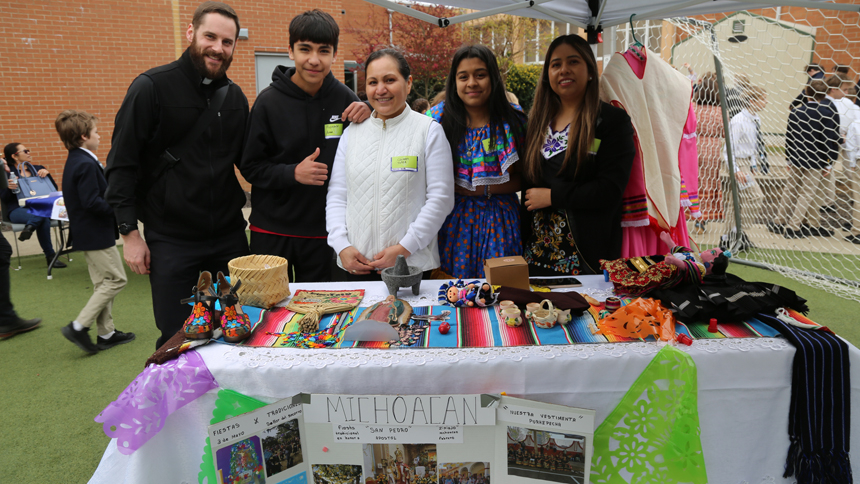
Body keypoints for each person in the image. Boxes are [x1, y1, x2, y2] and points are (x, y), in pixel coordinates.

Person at [105, 1, 251, 348]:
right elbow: (120, 164)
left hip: (228, 239)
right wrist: (129, 233)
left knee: (238, 331)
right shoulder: (150, 87)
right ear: (191, 33)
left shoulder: (235, 98)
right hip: (172, 242)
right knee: (177, 337)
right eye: (210, 37)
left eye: (227, 42)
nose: (218, 48)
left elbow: (252, 162)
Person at [240, 9, 370, 283]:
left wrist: (371, 109)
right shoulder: (268, 102)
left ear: (334, 54)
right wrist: (292, 173)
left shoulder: (346, 100)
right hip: (273, 232)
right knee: (271, 315)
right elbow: (250, 167)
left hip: (326, 234)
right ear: (290, 51)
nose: (314, 60)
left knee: (323, 313)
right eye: (304, 49)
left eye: (323, 51)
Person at [326, 49, 455, 279]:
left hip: (410, 268)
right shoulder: (352, 133)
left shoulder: (428, 131)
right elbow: (337, 195)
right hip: (355, 266)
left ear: (408, 82)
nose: (380, 89)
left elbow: (441, 198)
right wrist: (341, 246)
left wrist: (405, 247)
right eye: (373, 82)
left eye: (389, 80)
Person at [520, 34, 635, 275]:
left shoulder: (611, 122)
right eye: (555, 64)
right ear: (547, 75)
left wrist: (554, 196)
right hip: (536, 255)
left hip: (586, 258)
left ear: (590, 71)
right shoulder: (537, 123)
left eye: (573, 62)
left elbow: (610, 190)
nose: (563, 70)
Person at [428, 44, 526, 279]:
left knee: (501, 291)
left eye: (480, 75)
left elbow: (527, 177)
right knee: (454, 293)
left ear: (493, 78)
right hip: (452, 223)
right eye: (464, 76)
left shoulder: (513, 121)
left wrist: (482, 190)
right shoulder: (435, 120)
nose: (472, 83)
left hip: (501, 223)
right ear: (454, 81)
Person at [55, 110, 135, 354]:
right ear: (83, 137)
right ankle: (79, 326)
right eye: (95, 132)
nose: (99, 136)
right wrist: (118, 208)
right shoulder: (85, 163)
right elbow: (92, 202)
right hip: (94, 234)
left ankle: (106, 333)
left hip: (88, 233)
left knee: (103, 283)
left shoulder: (77, 160)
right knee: (116, 280)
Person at [773, 80, 840, 239]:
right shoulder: (827, 113)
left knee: (790, 189)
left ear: (806, 92)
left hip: (796, 158)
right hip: (815, 161)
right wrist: (828, 162)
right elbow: (828, 140)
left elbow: (789, 138)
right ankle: (793, 226)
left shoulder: (795, 112)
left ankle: (779, 220)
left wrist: (788, 158)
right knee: (807, 192)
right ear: (824, 95)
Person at [1, 143, 67, 269]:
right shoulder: (7, 173)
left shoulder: (37, 169)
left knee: (42, 216)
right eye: (25, 151)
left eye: (28, 151)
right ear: (14, 156)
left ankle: (30, 227)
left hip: (40, 207)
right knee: (43, 217)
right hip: (17, 210)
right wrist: (8, 188)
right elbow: (4, 198)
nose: (28, 153)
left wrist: (47, 175)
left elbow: (53, 190)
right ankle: (50, 257)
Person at [722, 85, 768, 245]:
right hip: (737, 163)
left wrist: (754, 164)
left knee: (738, 201)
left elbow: (753, 144)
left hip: (747, 162)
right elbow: (728, 150)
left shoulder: (755, 119)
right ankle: (737, 230)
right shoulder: (738, 121)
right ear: (752, 101)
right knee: (757, 196)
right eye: (763, 99)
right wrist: (736, 170)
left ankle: (726, 236)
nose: (766, 102)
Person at [693, 73, 725, 233]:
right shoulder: (719, 111)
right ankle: (702, 218)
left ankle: (691, 214)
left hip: (692, 146)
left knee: (693, 182)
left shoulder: (692, 108)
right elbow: (725, 132)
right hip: (711, 149)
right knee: (707, 184)